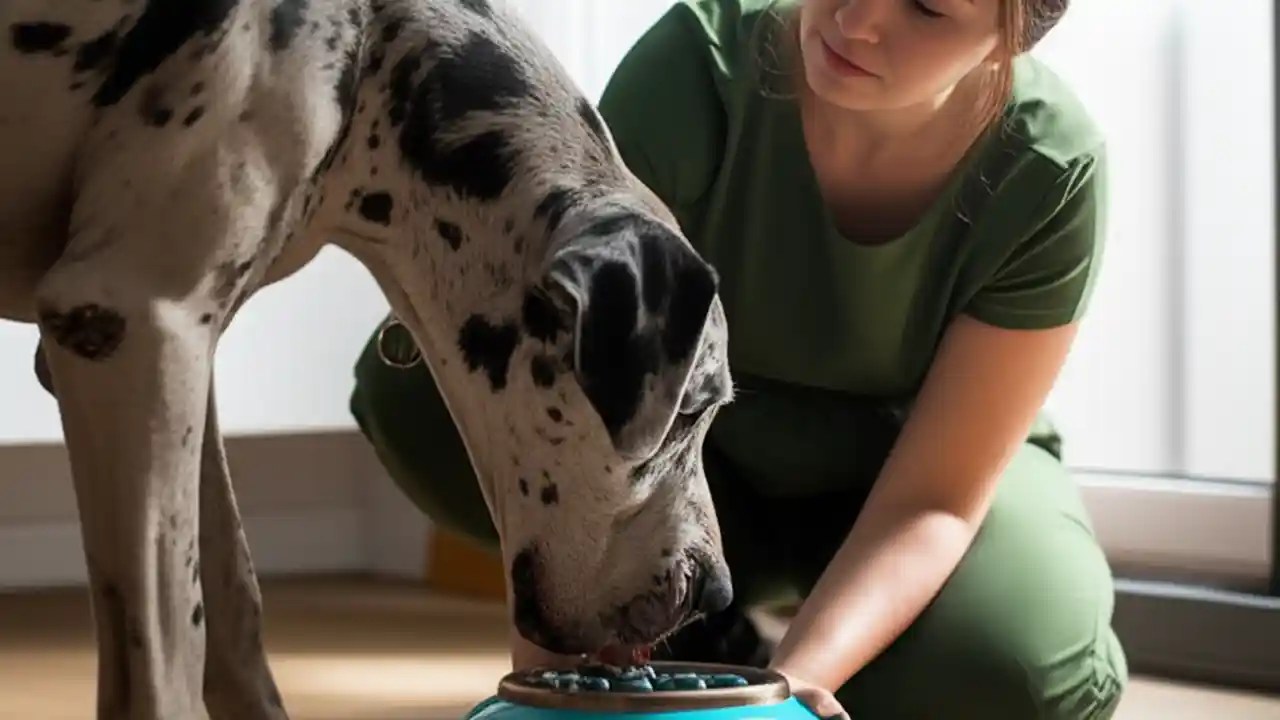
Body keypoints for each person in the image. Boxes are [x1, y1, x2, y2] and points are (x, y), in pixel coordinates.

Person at [348, 0, 1128, 717]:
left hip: (913, 481)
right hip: (704, 471)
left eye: (925, 7)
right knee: (424, 392)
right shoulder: (697, 67)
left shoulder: (1051, 171)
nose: (856, 17)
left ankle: (771, 648)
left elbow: (936, 501)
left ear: (1010, 40)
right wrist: (561, 678)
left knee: (1012, 670)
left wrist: (793, 687)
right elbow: (575, 380)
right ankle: (696, 633)